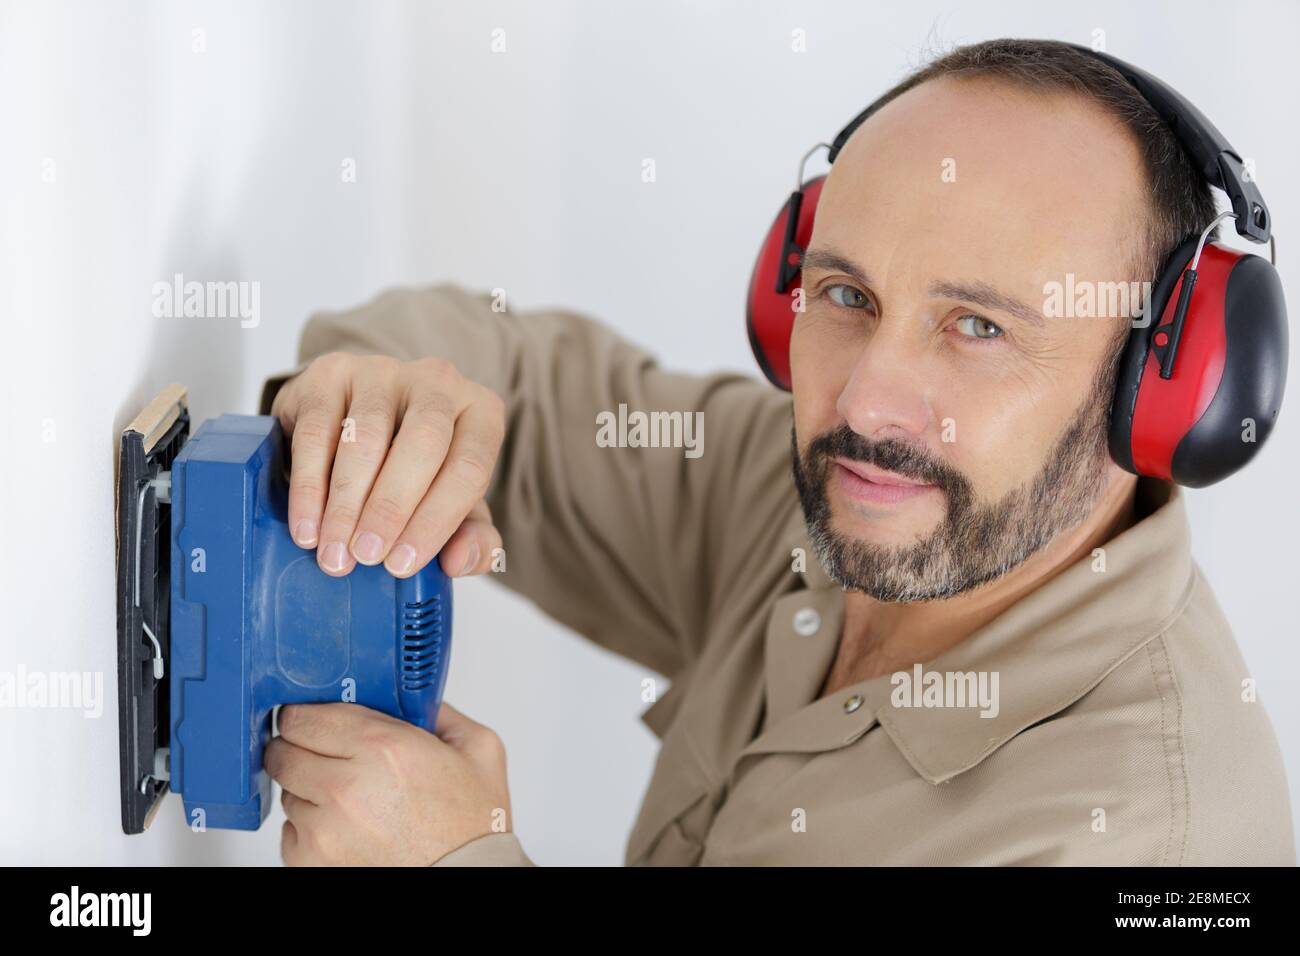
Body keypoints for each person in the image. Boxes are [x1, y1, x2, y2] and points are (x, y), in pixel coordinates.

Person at [258, 38, 1294, 866]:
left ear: (1166, 389)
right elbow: (497, 371)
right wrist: (396, 409)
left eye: (977, 326)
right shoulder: (827, 495)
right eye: (845, 296)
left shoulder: (1146, 841)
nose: (866, 398)